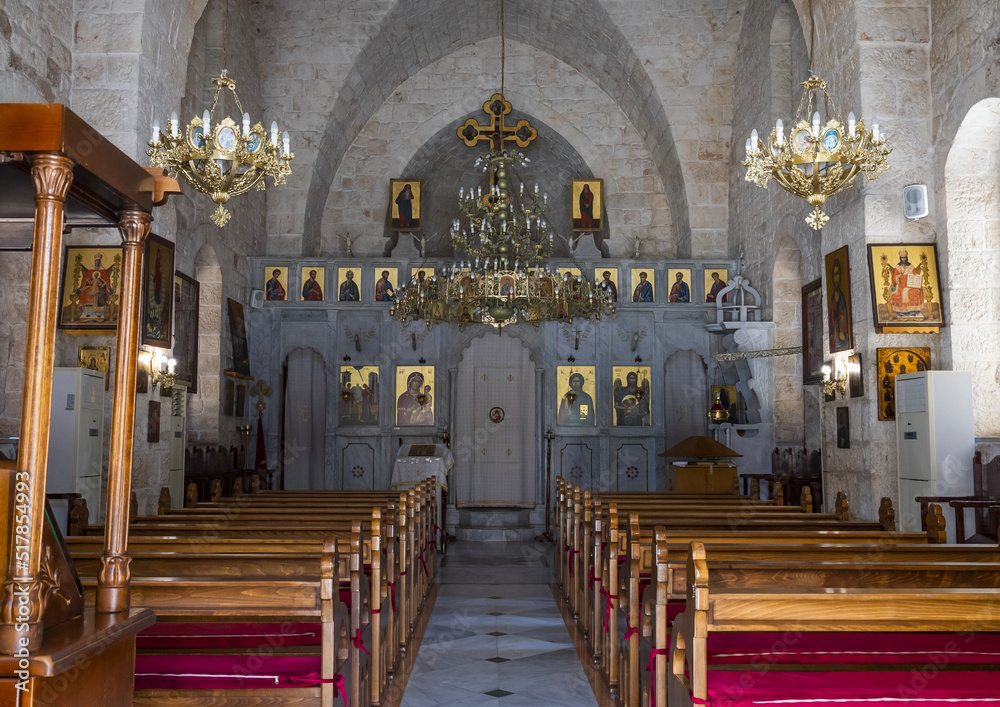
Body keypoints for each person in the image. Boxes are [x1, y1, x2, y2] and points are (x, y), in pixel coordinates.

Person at [888, 249, 925, 317]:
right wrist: (899, 276)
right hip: (901, 285)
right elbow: (894, 278)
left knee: (915, 292)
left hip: (911, 285)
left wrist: (914, 276)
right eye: (902, 258)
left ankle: (913, 311)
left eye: (905, 258)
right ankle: (902, 312)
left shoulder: (910, 266)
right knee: (902, 293)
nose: (904, 259)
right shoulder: (898, 267)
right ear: (900, 258)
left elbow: (915, 273)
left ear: (906, 258)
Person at [829, 259, 850, 350]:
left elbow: (844, 316)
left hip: (842, 336)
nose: (836, 278)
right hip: (835, 337)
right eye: (834, 275)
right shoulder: (832, 298)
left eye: (837, 274)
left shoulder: (842, 297)